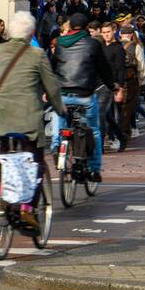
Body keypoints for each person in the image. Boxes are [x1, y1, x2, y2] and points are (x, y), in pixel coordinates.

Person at [0, 14, 64, 229]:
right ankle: (27, 209)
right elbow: (52, 87)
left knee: (4, 152)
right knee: (34, 161)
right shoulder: (37, 54)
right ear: (30, 34)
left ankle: (2, 192)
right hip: (27, 119)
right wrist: (60, 109)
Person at [49, 13, 116, 182]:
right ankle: (94, 169)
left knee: (61, 122)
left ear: (70, 26)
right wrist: (111, 85)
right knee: (93, 130)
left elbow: (52, 67)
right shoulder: (92, 44)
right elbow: (103, 68)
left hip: (63, 94)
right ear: (86, 27)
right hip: (84, 94)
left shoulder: (59, 44)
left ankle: (57, 145)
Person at [99, 21, 130, 151]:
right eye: (104, 32)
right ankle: (121, 136)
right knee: (106, 115)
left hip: (112, 86)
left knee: (102, 113)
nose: (106, 35)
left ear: (113, 32)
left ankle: (99, 146)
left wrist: (120, 89)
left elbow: (121, 70)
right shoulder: (99, 46)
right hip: (99, 84)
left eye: (108, 32)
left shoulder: (118, 48)